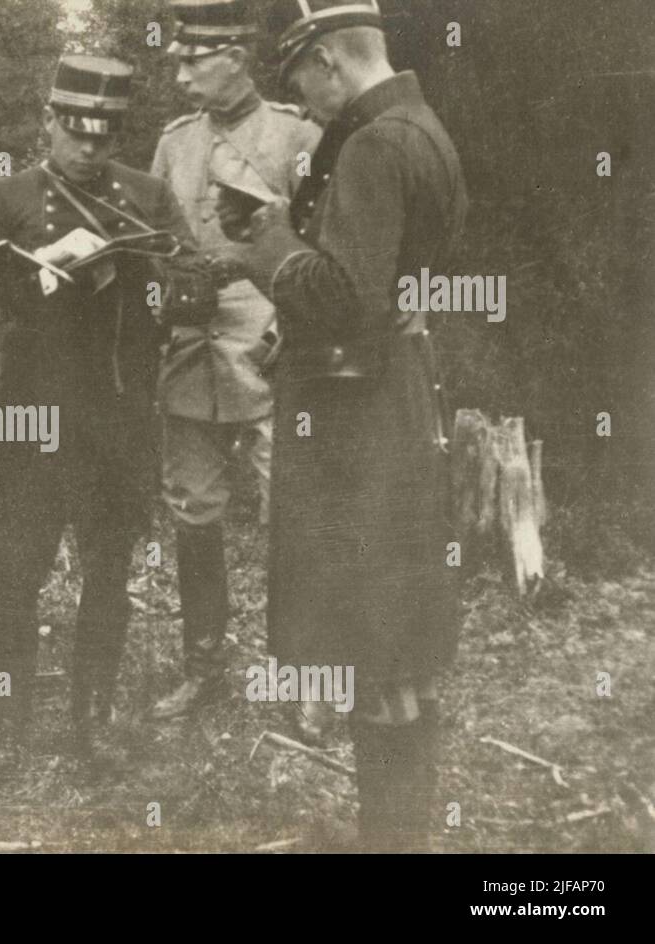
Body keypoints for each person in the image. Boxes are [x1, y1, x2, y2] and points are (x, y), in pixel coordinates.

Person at [239, 0, 467, 851]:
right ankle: (399, 836)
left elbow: (346, 301)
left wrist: (267, 244)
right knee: (397, 637)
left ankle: (393, 843)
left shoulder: (372, 145)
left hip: (358, 422)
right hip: (398, 400)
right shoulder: (423, 126)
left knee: (376, 638)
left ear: (330, 61)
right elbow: (402, 286)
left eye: (300, 76)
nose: (299, 100)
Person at [0, 55, 200, 771]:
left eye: (106, 137)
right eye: (77, 133)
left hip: (118, 419)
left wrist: (147, 271)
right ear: (48, 123)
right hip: (34, 416)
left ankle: (91, 724)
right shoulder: (5, 197)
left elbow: (193, 294)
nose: (91, 149)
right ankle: (9, 731)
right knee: (17, 573)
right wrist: (45, 269)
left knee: (108, 573)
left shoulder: (148, 195)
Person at [148, 0, 322, 721]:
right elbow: (160, 242)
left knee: (299, 511)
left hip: (274, 345)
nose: (183, 73)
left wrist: (294, 326)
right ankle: (204, 668)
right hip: (191, 351)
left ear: (238, 58)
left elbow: (323, 253)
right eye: (181, 59)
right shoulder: (175, 143)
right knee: (195, 514)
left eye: (197, 60)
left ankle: (308, 680)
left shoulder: (298, 134)